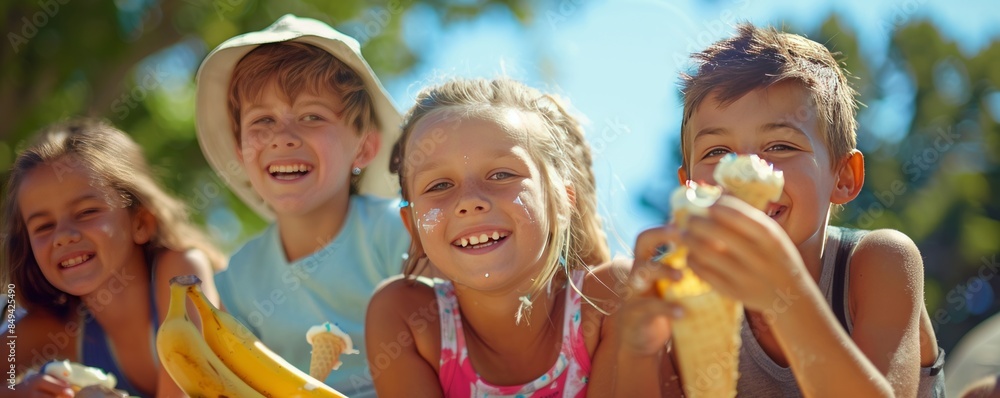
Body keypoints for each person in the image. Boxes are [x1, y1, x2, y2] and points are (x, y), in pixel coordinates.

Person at [617, 23, 945, 397]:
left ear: (843, 177)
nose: (743, 169)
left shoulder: (880, 261)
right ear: (688, 186)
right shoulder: (683, 290)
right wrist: (639, 354)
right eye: (717, 152)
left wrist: (784, 290)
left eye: (780, 146)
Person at [364, 77, 638, 397]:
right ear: (413, 227)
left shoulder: (613, 298)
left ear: (561, 202)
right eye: (440, 185)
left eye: (501, 174)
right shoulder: (406, 319)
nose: (470, 201)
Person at [194, 14, 410, 397]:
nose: (283, 137)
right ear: (241, 152)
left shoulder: (397, 232)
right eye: (262, 120)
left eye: (312, 116)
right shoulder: (238, 280)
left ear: (364, 148)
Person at [1, 119, 224, 397]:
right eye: (44, 227)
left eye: (86, 212)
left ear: (140, 222)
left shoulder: (181, 273)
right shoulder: (57, 329)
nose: (63, 236)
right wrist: (14, 392)